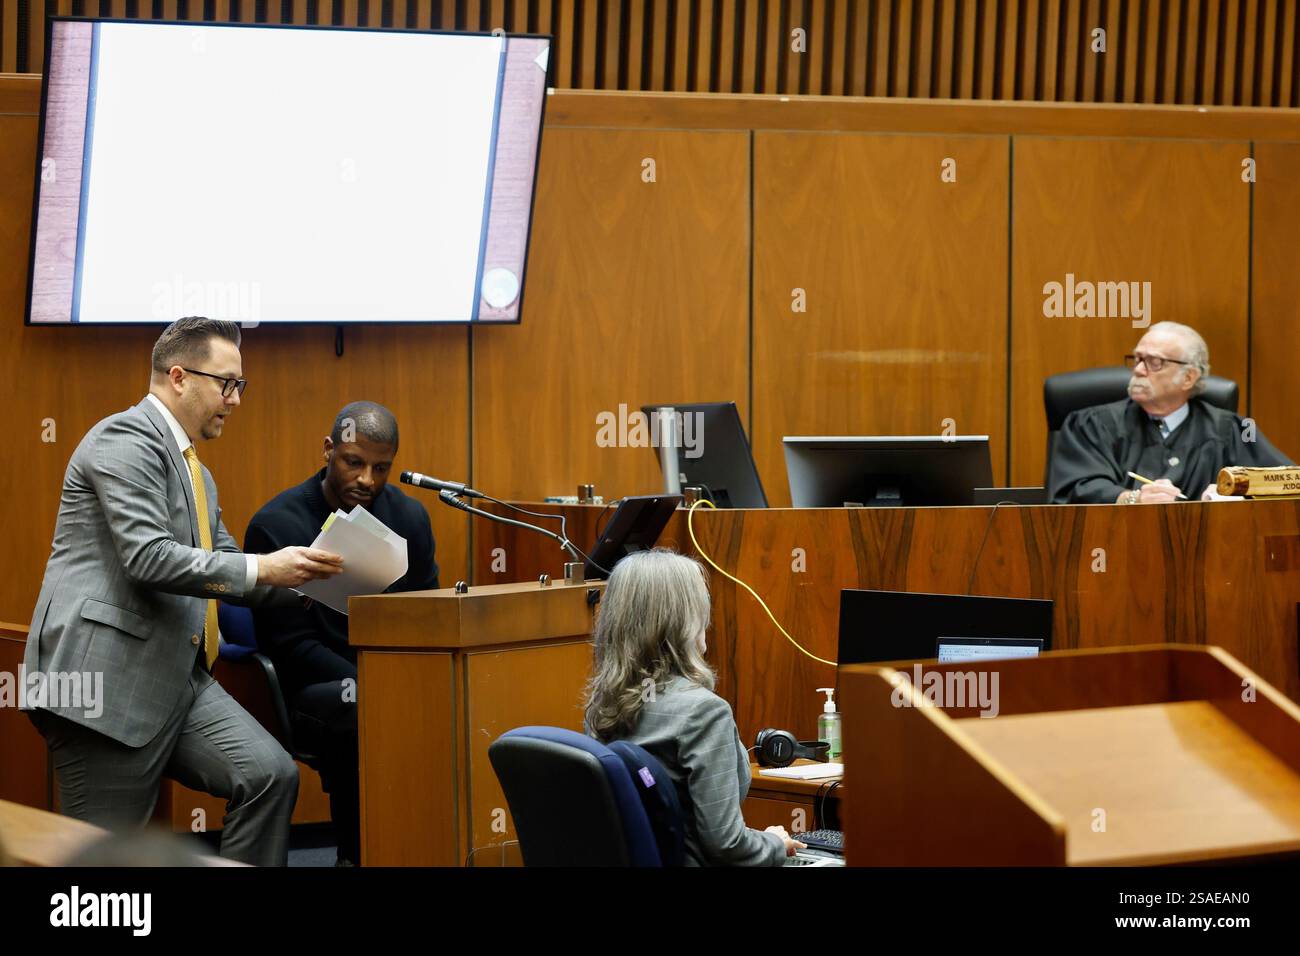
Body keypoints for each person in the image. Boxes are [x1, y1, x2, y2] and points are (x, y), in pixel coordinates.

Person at [23, 316, 343, 867]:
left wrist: (322, 584)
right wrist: (267, 568)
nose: (236, 399)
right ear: (178, 376)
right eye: (227, 383)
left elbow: (227, 569)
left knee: (268, 775)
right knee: (102, 868)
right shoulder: (123, 439)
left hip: (177, 676)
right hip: (103, 684)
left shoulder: (198, 473)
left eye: (239, 385)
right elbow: (147, 558)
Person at [245, 401, 439, 866]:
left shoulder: (409, 518)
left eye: (381, 468)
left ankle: (428, 846)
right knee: (363, 709)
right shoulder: (278, 525)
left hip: (391, 675)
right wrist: (375, 683)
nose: (367, 480)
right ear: (328, 450)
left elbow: (428, 615)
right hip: (311, 685)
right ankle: (357, 857)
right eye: (354, 462)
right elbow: (291, 647)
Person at [584, 549, 803, 866]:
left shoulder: (604, 706)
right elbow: (726, 845)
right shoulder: (704, 712)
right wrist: (774, 843)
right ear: (682, 622)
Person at [1049, 321, 1293, 504]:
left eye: (1155, 362)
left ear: (1188, 377)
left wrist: (1233, 494)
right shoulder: (1090, 424)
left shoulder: (1231, 430)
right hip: (1114, 554)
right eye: (1137, 359)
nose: (1139, 370)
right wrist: (1131, 498)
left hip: (1209, 556)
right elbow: (1071, 491)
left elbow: (1287, 483)